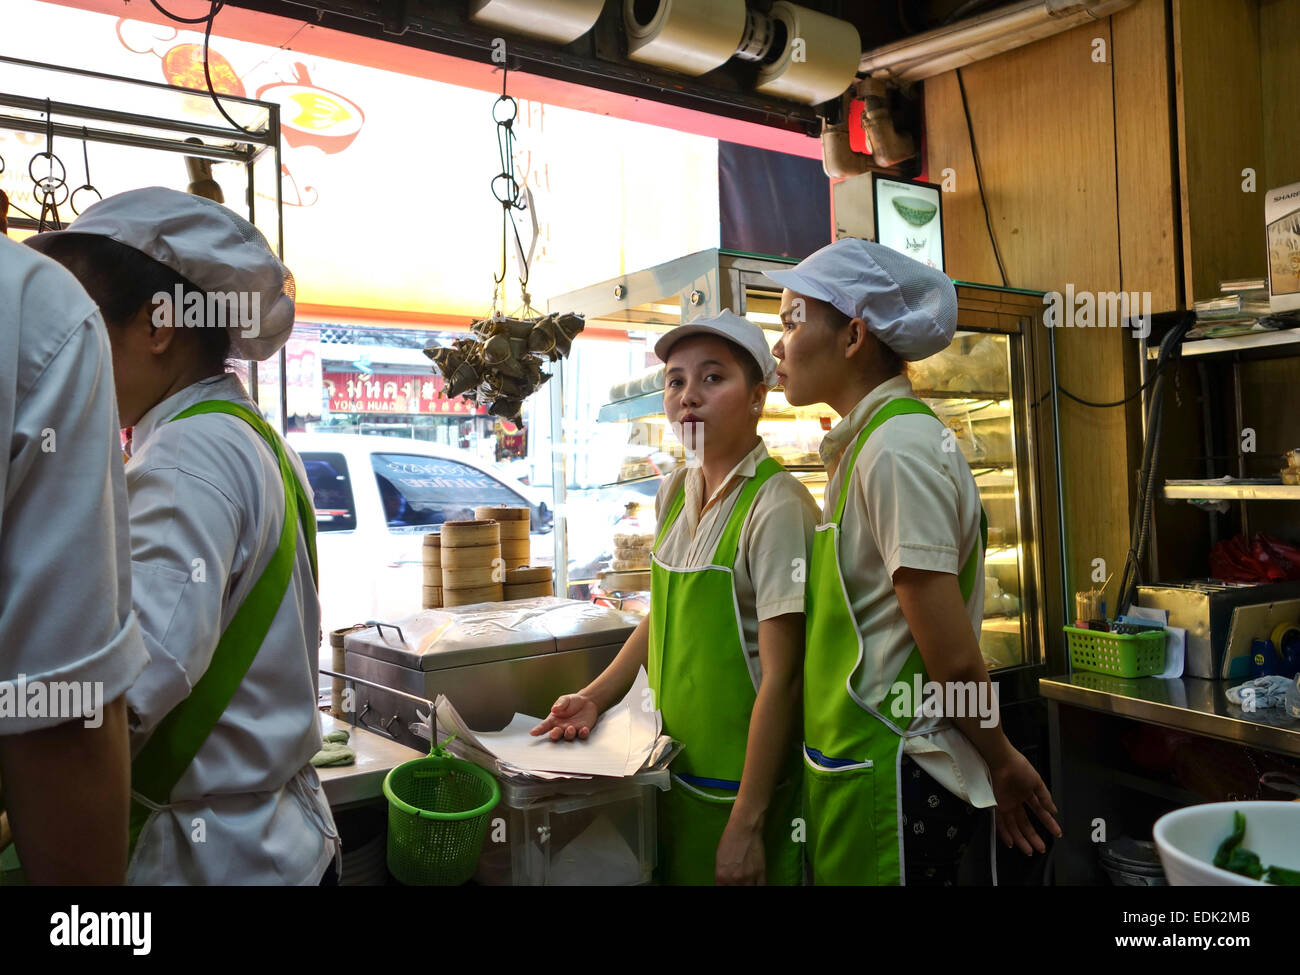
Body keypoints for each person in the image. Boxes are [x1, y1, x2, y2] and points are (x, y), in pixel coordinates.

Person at [28, 187, 341, 885]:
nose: (64, 357)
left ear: (158, 325)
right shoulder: (250, 435)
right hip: (279, 843)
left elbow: (128, 693)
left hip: (219, 861)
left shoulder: (185, 458)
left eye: (81, 329)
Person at [769, 238, 1060, 886]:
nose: (778, 344)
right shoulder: (866, 445)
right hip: (858, 769)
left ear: (852, 335)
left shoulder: (895, 448)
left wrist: (1002, 759)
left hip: (899, 772)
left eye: (792, 319)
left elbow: (952, 658)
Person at [531, 310, 819, 885]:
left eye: (713, 378)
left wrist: (748, 822)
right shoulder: (673, 492)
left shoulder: (777, 506)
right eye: (676, 381)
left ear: (759, 397)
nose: (689, 396)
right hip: (672, 773)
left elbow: (785, 678)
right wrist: (595, 697)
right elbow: (663, 613)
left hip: (746, 791)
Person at [0, 234, 150, 884]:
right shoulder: (30, 309)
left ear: (160, 330)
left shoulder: (186, 454)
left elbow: (65, 698)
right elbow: (65, 711)